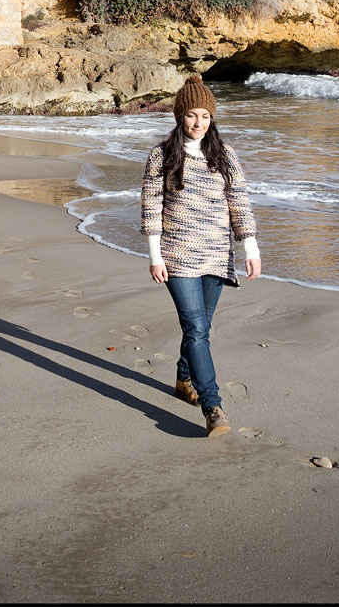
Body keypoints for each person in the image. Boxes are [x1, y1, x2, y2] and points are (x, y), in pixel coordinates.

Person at [140, 73, 261, 438]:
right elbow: (150, 208)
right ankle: (213, 407)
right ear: (180, 116)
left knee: (200, 328)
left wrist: (249, 247)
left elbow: (239, 202)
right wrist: (154, 255)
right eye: (192, 115)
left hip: (215, 253)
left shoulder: (224, 155)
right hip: (176, 255)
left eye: (206, 116)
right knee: (196, 330)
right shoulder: (161, 156)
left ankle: (182, 378)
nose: (199, 123)